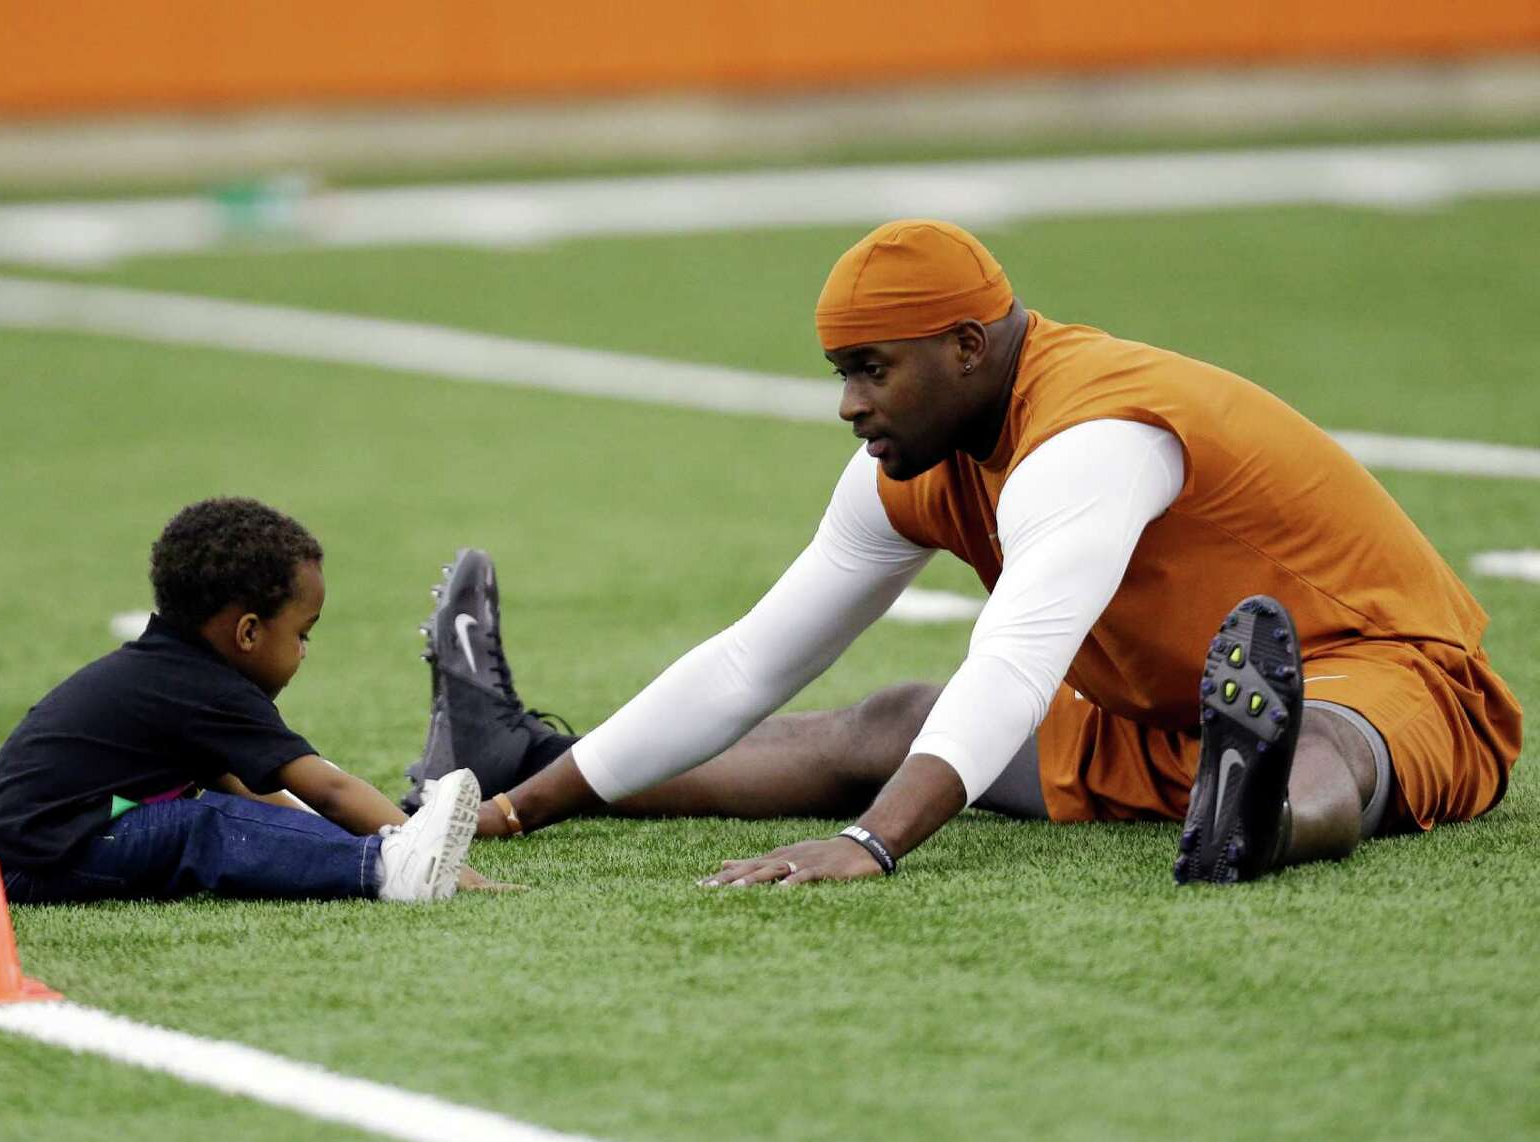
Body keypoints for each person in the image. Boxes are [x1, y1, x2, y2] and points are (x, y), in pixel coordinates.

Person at [403, 219, 1523, 887]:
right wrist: (524, 805)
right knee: (895, 719)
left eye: (871, 369)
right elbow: (754, 663)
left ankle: (1262, 819)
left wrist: (874, 842)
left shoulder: (1093, 433)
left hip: (1376, 670)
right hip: (1172, 721)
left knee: (1324, 736)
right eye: (841, 371)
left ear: (970, 347)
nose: (848, 404)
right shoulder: (919, 456)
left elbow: (1016, 660)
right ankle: (512, 755)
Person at [0, 497, 485, 904]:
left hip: (8, 851)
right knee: (199, 825)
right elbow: (328, 789)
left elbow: (261, 795)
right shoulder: (206, 688)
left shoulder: (168, 669)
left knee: (216, 812)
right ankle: (393, 869)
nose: (304, 651)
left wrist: (335, 840)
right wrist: (411, 843)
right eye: (302, 633)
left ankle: (388, 858)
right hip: (29, 859)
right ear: (248, 633)